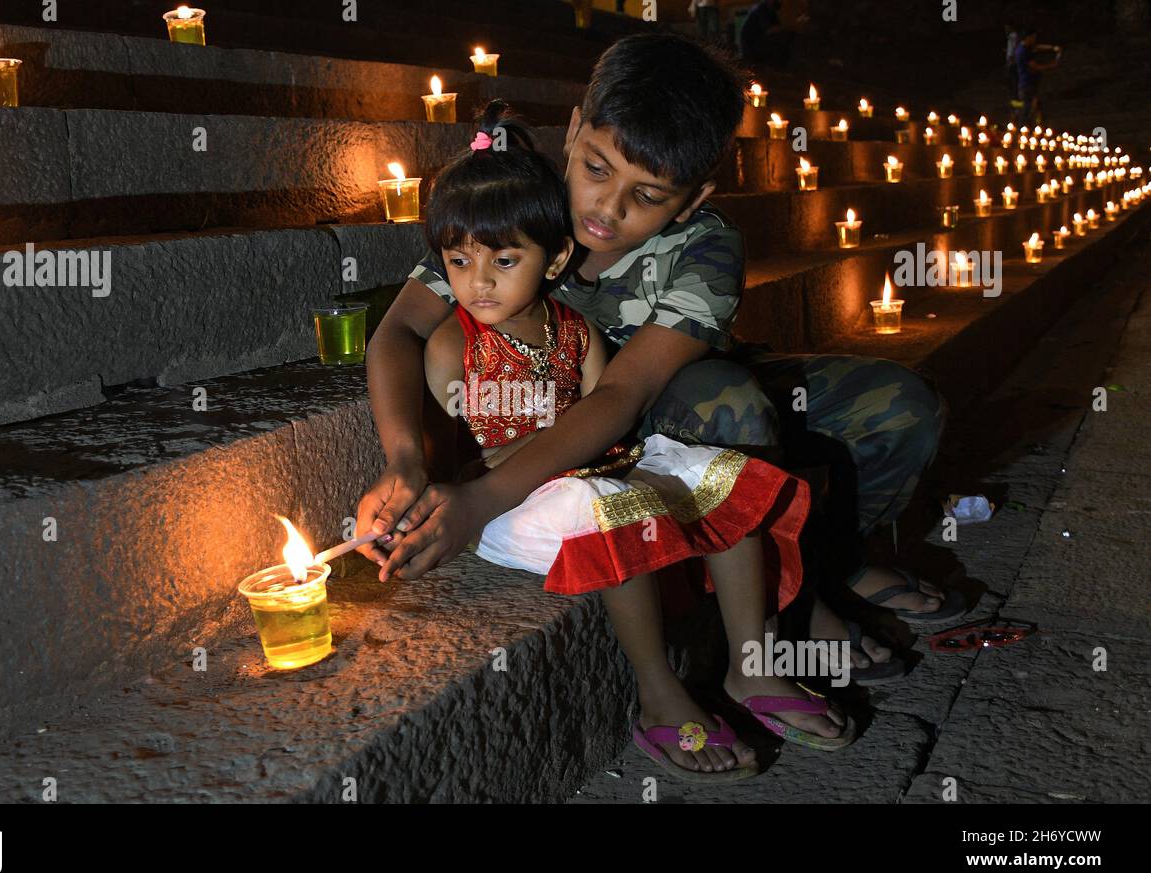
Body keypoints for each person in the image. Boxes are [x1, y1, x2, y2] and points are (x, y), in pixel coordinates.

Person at [357, 33, 942, 678]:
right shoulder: (520, 203)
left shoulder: (707, 248)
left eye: (650, 196)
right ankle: (792, 602)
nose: (609, 209)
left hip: (655, 401)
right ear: (574, 131)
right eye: (598, 168)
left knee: (901, 405)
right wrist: (407, 459)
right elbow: (399, 330)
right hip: (604, 422)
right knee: (731, 405)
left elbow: (624, 393)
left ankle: (828, 561)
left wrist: (484, 497)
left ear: (692, 198)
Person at [413, 100, 854, 779]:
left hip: (577, 476)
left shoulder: (576, 334)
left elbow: (605, 415)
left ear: (554, 256)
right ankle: (658, 694)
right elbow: (459, 450)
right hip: (503, 508)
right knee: (615, 506)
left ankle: (752, 665)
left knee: (719, 476)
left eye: (503, 260)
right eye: (459, 262)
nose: (479, 282)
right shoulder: (453, 344)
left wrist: (604, 462)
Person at [1013, 24, 1061, 126]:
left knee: (1033, 108)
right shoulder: (1023, 52)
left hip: (1029, 83)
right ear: (1028, 37)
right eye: (1033, 37)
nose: (1035, 39)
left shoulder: (1025, 47)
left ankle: (1030, 128)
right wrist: (1051, 66)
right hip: (1026, 84)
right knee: (1028, 110)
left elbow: (1037, 47)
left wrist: (1052, 48)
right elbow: (1035, 66)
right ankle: (1022, 130)